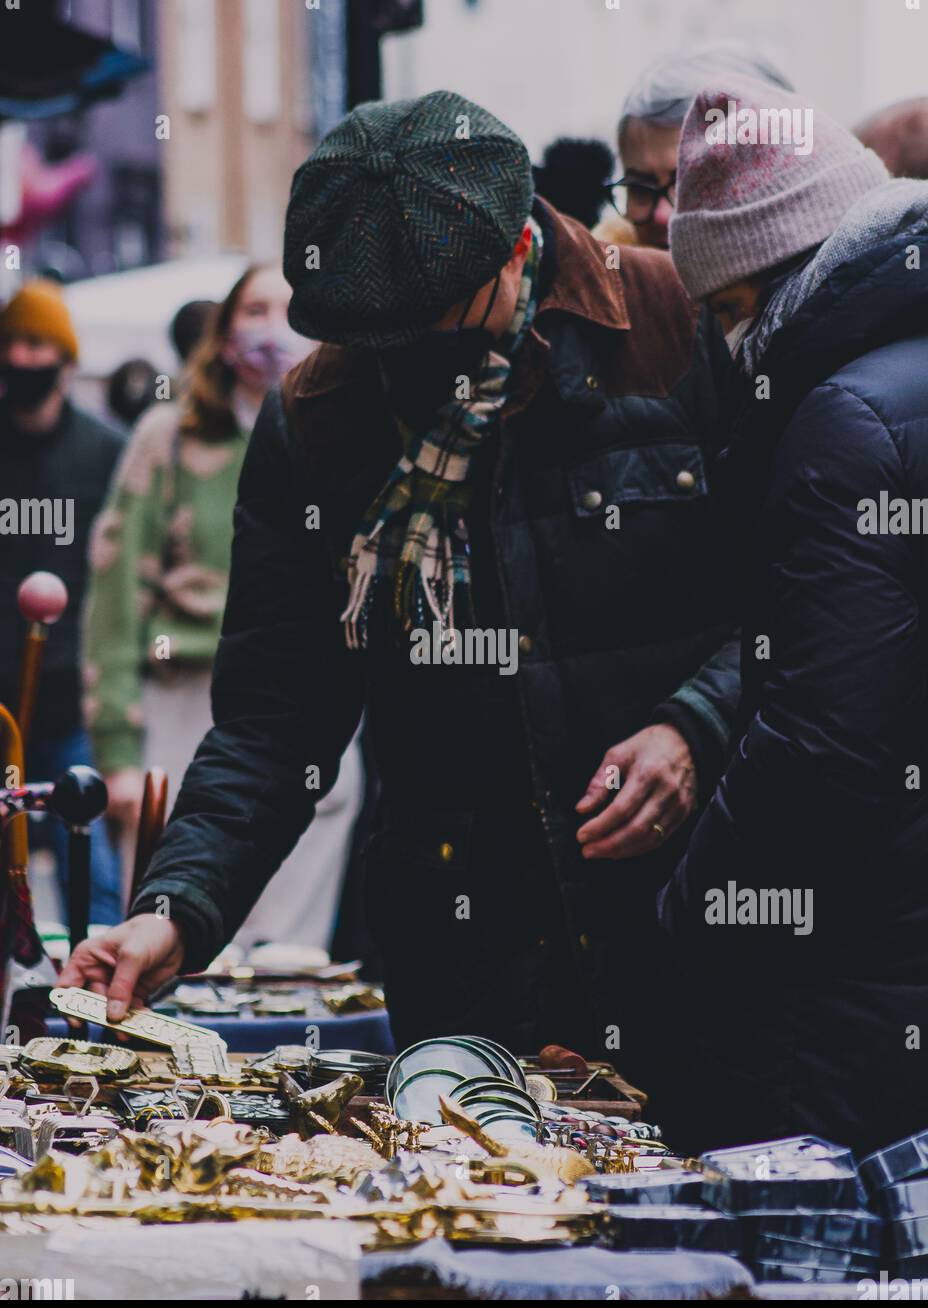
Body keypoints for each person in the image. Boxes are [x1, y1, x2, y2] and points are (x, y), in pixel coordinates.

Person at [62, 92, 739, 1128]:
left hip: (687, 920)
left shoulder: (670, 320)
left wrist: (696, 722)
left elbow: (810, 597)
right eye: (378, 337)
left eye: (434, 325)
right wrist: (175, 911)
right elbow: (273, 719)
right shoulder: (318, 416)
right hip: (469, 951)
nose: (406, 361)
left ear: (519, 247)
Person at [661, 77, 928, 1156]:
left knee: (817, 1287)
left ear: (772, 277)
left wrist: (691, 900)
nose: (725, 347)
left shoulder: (840, 422)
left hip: (861, 963)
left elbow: (823, 736)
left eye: (723, 312)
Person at [82, 265, 364, 951]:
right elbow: (116, 597)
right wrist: (118, 750)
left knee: (291, 957)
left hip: (311, 707)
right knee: (174, 927)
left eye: (289, 307)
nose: (272, 326)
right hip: (183, 698)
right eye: (254, 307)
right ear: (225, 325)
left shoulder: (348, 430)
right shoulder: (169, 434)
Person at [0, 279, 124, 925]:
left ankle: (95, 1003)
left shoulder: (106, 452)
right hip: (0, 703)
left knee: (91, 871)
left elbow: (122, 573)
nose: (23, 358)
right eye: (13, 343)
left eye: (38, 343)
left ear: (66, 358)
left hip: (72, 694)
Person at [611, 40, 793, 250]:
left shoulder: (834, 275)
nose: (663, 216)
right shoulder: (597, 270)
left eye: (693, 186)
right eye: (639, 188)